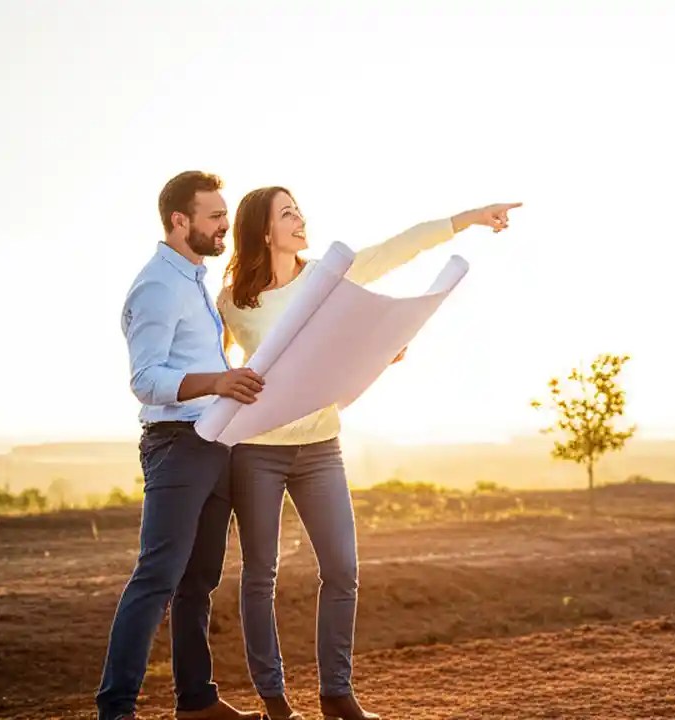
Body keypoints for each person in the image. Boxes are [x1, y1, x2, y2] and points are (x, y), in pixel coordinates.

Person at [217, 187, 521, 720]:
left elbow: (397, 249)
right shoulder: (231, 302)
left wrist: (467, 219)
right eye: (286, 213)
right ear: (263, 231)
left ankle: (336, 694)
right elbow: (213, 360)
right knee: (259, 574)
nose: (299, 218)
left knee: (342, 569)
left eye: (299, 209)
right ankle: (274, 702)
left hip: (320, 447)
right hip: (257, 452)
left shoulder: (326, 278)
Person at [97, 170, 267, 720]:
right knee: (157, 576)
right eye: (215, 217)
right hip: (176, 443)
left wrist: (231, 380)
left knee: (199, 580)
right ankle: (115, 709)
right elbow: (145, 380)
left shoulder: (194, 279)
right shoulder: (158, 286)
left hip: (215, 440)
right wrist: (218, 383)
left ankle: (196, 701)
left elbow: (206, 363)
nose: (225, 226)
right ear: (179, 220)